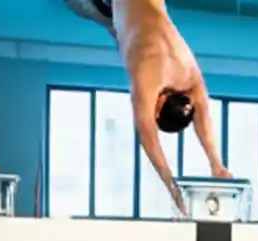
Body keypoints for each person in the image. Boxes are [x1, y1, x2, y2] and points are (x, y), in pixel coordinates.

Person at [64, 0, 229, 215]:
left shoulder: (189, 74)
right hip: (117, 14)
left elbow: (203, 116)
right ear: (158, 107)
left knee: (120, 27)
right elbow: (148, 139)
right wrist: (173, 190)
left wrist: (216, 164)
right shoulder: (148, 78)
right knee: (84, 9)